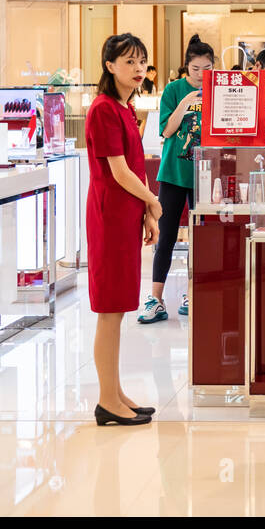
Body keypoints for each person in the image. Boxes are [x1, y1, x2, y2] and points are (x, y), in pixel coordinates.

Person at [84, 33, 161, 425]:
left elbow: (131, 163)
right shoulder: (102, 110)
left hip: (126, 214)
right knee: (110, 311)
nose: (138, 68)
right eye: (129, 61)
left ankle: (115, 393)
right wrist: (152, 200)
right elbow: (119, 171)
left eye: (142, 61)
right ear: (109, 65)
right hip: (110, 217)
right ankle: (106, 399)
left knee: (118, 309)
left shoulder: (125, 107)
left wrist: (146, 212)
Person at [139, 34, 215, 325]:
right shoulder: (173, 90)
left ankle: (192, 293)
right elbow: (167, 131)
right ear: (187, 67)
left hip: (205, 174)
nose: (201, 74)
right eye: (196, 68)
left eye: (207, 68)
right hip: (173, 172)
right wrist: (187, 100)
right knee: (166, 236)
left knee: (201, 237)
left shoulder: (218, 90)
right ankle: (156, 298)